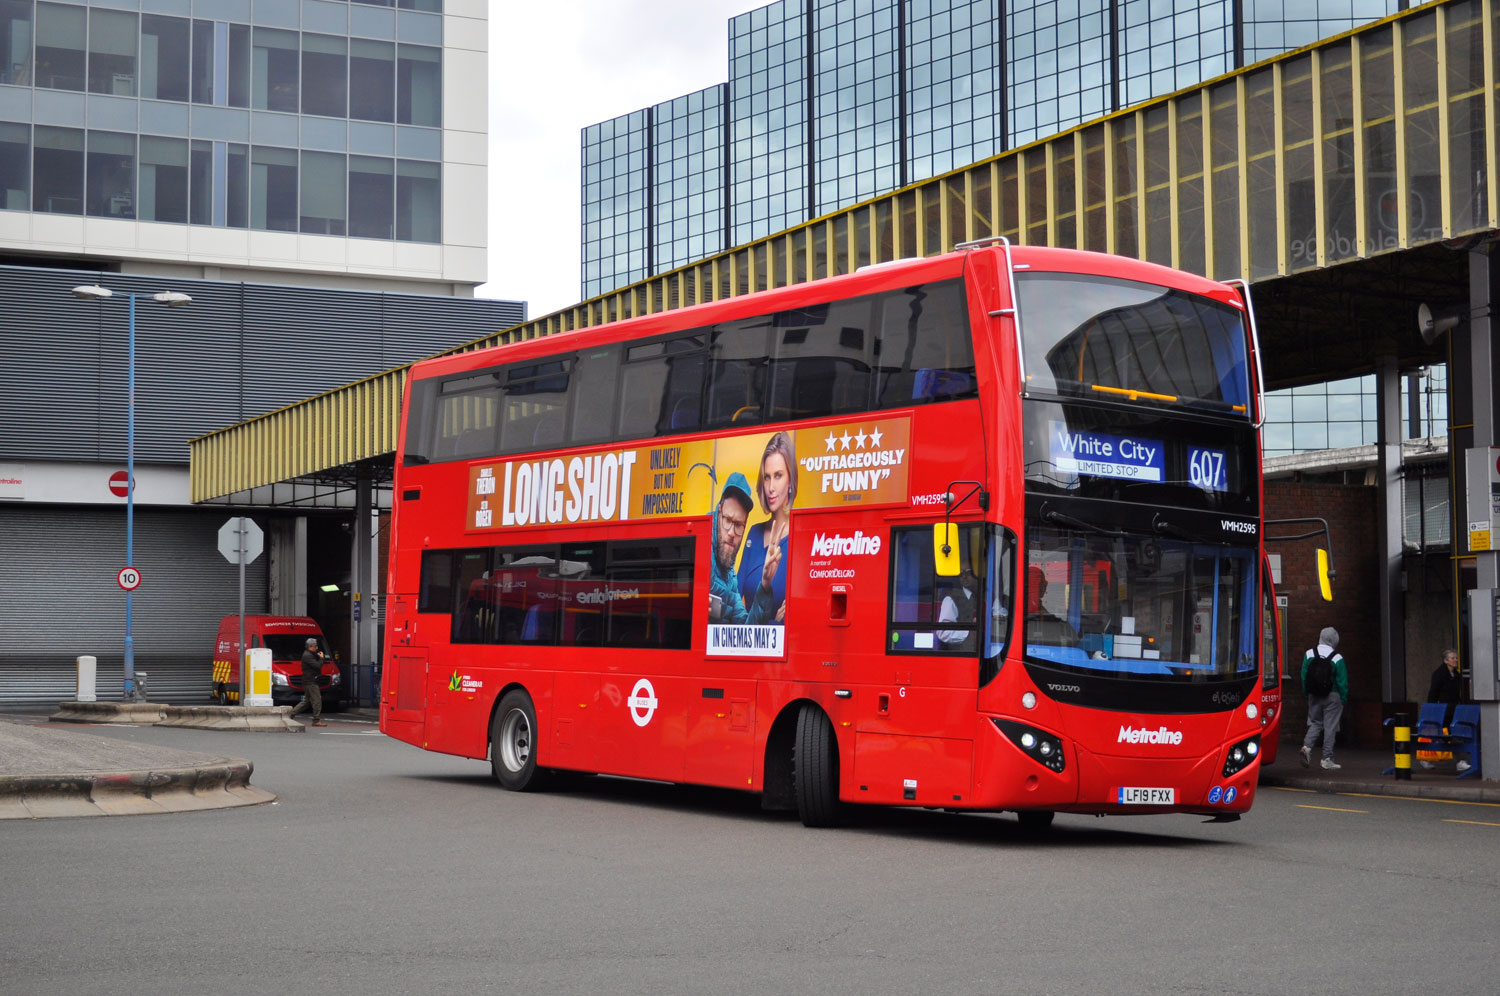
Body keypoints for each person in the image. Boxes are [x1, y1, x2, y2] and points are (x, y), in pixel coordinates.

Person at [735, 431, 796, 623]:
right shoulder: (754, 533)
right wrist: (774, 624)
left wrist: (777, 625)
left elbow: (799, 619)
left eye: (778, 476)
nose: (770, 487)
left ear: (790, 481)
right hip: (746, 649)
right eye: (767, 477)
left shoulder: (801, 538)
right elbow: (734, 601)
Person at [708, 472, 778, 625]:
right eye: (727, 520)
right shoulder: (700, 553)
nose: (732, 532)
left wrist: (765, 585)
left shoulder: (730, 578)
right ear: (719, 512)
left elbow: (746, 634)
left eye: (739, 525)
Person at [1299, 626, 1347, 770]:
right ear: (1334, 640)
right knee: (1330, 727)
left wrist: (1306, 693)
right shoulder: (1337, 658)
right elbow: (1342, 682)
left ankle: (1306, 747)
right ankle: (1327, 759)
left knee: (1315, 723)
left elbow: (1303, 676)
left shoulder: (1309, 654)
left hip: (1314, 694)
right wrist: (1343, 699)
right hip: (1333, 696)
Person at [1424, 648, 1470, 773]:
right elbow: (1433, 692)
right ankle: (1427, 758)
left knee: (1453, 734)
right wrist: (1432, 709)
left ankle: (1460, 761)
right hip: (1442, 710)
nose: (1456, 660)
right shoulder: (1439, 674)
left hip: (1453, 709)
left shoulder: (1456, 674)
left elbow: (1456, 694)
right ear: (1445, 661)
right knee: (1440, 735)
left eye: (1456, 658)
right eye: (1452, 658)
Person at [1024, 564, 1076, 646]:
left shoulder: (1052, 620)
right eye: (1032, 584)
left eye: (1043, 585)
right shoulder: (1013, 616)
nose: (1043, 589)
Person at [290, 637, 328, 726]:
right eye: (315, 646)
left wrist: (318, 657)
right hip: (311, 681)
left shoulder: (310, 654)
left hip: (308, 681)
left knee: (306, 701)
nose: (317, 648)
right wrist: (322, 658)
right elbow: (317, 666)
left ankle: (291, 714)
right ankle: (316, 720)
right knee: (317, 700)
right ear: (311, 646)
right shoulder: (308, 656)